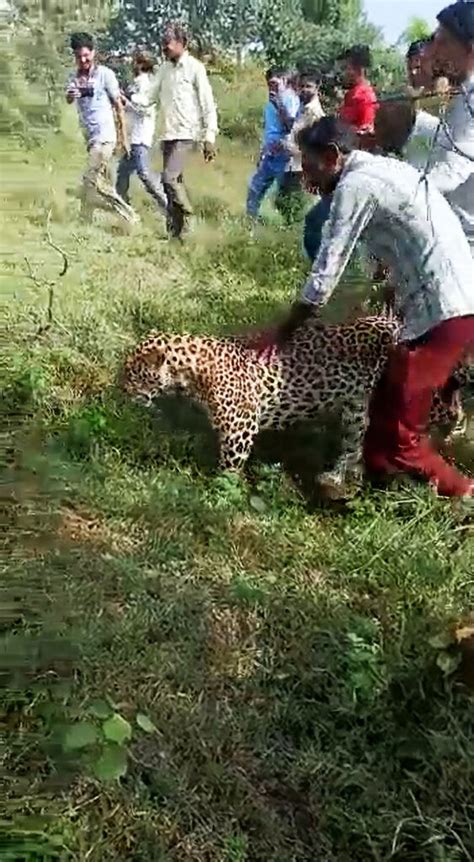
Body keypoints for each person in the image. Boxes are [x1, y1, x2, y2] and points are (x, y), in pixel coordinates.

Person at [252, 117, 474, 499]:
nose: (307, 177)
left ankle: (463, 494)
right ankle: (373, 487)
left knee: (401, 436)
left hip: (445, 312)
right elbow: (391, 250)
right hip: (444, 306)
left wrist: (283, 333)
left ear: (332, 156)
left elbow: (325, 275)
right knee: (382, 413)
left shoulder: (355, 186)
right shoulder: (383, 170)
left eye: (310, 166)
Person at [303, 45, 378, 262]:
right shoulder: (352, 96)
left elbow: (364, 139)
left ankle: (329, 274)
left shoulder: (365, 98)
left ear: (358, 69)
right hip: (336, 171)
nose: (341, 73)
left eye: (345, 68)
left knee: (317, 224)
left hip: (348, 175)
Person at [65, 32, 138, 225]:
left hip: (105, 137)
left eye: (86, 55)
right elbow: (69, 97)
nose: (83, 60)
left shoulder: (105, 74)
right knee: (100, 184)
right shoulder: (73, 77)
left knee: (90, 179)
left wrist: (124, 138)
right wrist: (71, 95)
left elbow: (118, 106)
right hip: (90, 138)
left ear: (93, 53)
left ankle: (128, 215)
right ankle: (86, 222)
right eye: (79, 56)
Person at [153, 23, 218, 239]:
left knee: (169, 179)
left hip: (187, 133)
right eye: (163, 44)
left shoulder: (195, 68)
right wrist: (127, 99)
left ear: (182, 43)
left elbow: (207, 104)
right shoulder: (164, 69)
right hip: (167, 133)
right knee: (173, 184)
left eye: (168, 43)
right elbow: (149, 95)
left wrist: (209, 136)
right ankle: (176, 233)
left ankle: (189, 216)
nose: (164, 48)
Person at [116, 50, 168, 215]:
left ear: (140, 64)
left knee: (144, 174)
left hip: (140, 136)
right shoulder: (137, 83)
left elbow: (145, 108)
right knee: (122, 174)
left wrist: (128, 99)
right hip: (133, 137)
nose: (132, 64)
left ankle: (169, 205)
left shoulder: (146, 84)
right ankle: (124, 210)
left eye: (135, 61)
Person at [246, 67, 300, 219]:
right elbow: (270, 128)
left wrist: (278, 104)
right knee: (255, 188)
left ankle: (290, 225)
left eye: (275, 83)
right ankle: (250, 222)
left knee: (283, 195)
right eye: (269, 84)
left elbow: (290, 126)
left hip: (284, 153)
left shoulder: (290, 99)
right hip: (270, 152)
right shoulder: (271, 100)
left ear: (284, 80)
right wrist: (263, 149)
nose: (272, 87)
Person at [277, 69, 325, 223]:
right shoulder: (303, 108)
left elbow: (312, 143)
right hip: (293, 163)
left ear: (317, 88)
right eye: (302, 86)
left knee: (294, 205)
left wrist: (290, 147)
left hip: (301, 165)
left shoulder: (314, 112)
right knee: (284, 202)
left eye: (308, 86)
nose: (304, 90)